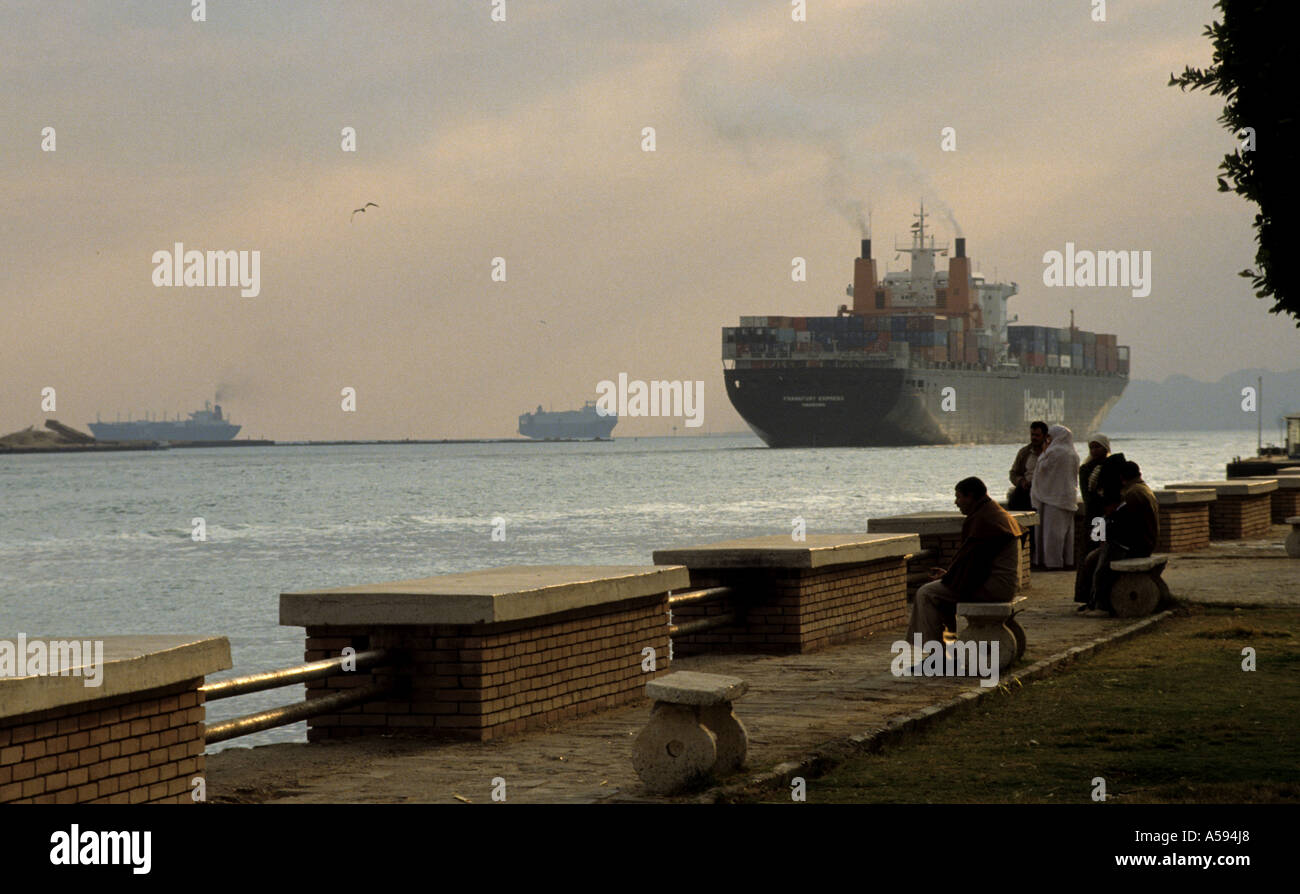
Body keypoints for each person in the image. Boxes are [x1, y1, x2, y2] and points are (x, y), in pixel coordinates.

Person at [908, 476, 1024, 645]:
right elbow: (974, 562)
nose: (956, 502)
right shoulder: (994, 513)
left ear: (970, 496)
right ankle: (946, 647)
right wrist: (949, 576)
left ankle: (935, 653)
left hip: (994, 588)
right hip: (1003, 583)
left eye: (959, 497)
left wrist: (948, 578)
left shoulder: (984, 520)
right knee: (941, 596)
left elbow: (975, 565)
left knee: (926, 593)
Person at [1076, 461, 1159, 613]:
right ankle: (1092, 600)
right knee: (1092, 559)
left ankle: (1101, 605)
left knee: (1102, 570)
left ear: (1122, 477)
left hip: (1132, 546)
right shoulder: (1141, 490)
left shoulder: (1132, 494)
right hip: (1143, 542)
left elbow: (1122, 524)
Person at [1030, 424, 1080, 569]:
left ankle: (1052, 563)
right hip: (1068, 498)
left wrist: (1044, 453)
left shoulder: (1054, 452)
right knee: (1066, 534)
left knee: (1052, 535)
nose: (1048, 440)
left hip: (1053, 499)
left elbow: (1042, 471)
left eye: (1050, 437)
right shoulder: (1073, 454)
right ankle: (1067, 561)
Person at [1008, 421, 1048, 510]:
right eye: (1032, 435)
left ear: (1045, 436)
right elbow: (1013, 473)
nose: (1034, 438)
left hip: (1045, 492)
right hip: (1027, 491)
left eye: (1037, 435)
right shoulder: (1024, 453)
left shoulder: (1050, 453)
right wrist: (1021, 481)